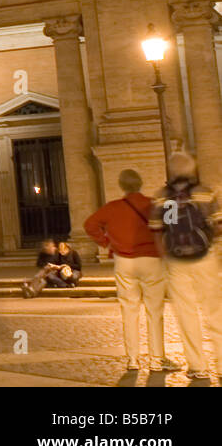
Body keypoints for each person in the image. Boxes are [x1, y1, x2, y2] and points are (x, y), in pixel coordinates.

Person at [85, 168, 179, 372]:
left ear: (121, 186)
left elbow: (89, 224)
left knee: (129, 310)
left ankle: (133, 359)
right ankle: (156, 359)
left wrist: (106, 242)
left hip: (124, 261)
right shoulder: (152, 205)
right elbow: (172, 222)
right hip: (151, 259)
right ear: (140, 184)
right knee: (155, 311)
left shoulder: (112, 207)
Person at [150, 151, 222, 379]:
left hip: (177, 261)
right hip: (205, 258)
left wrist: (165, 256)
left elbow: (160, 230)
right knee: (215, 313)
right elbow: (219, 225)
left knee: (186, 314)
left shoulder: (164, 197)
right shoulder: (205, 192)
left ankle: (198, 366)